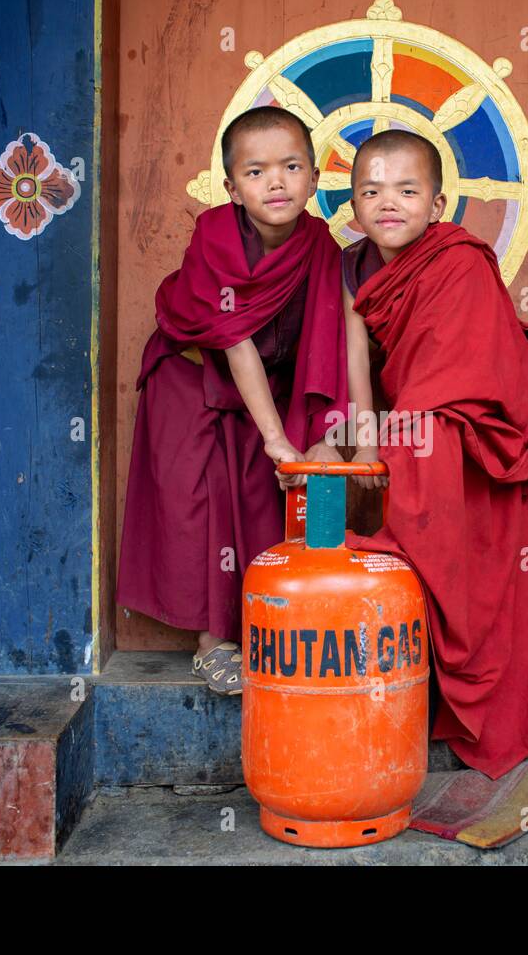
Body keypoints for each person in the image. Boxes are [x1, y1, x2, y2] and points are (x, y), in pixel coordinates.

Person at [340, 129, 528, 779]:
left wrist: (403, 430)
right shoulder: (352, 267)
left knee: (425, 445)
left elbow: (467, 367)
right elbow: (359, 357)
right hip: (421, 418)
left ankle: (459, 625)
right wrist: (364, 438)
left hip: (482, 423)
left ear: (438, 205)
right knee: (401, 452)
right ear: (353, 205)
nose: (389, 202)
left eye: (407, 190)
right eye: (371, 190)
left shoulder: (460, 260)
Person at [117, 107, 347, 695]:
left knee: (252, 498)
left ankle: (261, 631)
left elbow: (326, 338)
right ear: (231, 187)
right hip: (190, 380)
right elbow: (235, 336)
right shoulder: (216, 235)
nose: (276, 183)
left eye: (292, 167)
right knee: (195, 501)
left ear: (315, 179)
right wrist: (276, 437)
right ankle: (211, 645)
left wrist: (321, 428)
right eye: (256, 171)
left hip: (258, 391)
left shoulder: (319, 244)